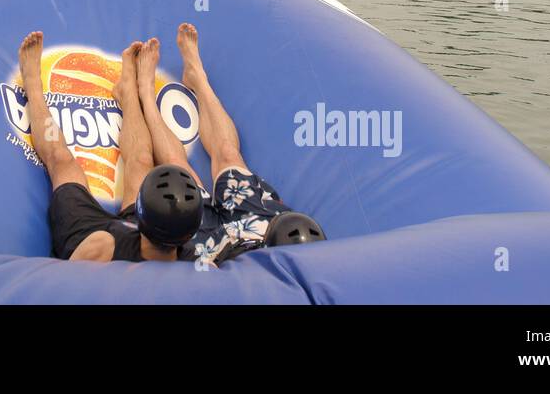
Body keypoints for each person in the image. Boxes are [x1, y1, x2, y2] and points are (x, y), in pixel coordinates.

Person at [22, 23, 325, 266]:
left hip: (127, 239)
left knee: (73, 165)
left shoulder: (113, 247)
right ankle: (151, 89)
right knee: (177, 162)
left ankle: (43, 85)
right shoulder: (199, 265)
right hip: (244, 233)